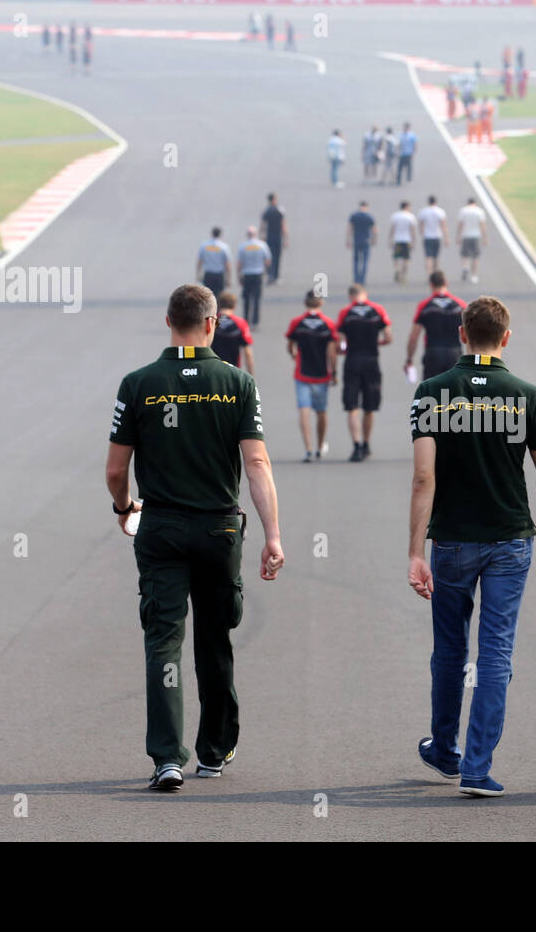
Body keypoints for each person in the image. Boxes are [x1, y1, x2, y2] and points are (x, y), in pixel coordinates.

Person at [105, 283, 283, 791]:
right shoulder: (237, 383)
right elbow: (256, 462)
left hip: (160, 525)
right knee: (214, 636)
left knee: (163, 639)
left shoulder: (138, 383)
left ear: (168, 321)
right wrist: (273, 534)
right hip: (218, 527)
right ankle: (214, 750)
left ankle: (166, 756)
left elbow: (117, 469)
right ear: (213, 324)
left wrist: (124, 508)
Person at [408, 296, 536, 797]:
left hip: (453, 541)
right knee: (496, 652)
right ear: (506, 338)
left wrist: (416, 551)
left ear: (462, 334)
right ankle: (477, 767)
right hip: (509, 539)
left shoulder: (432, 391)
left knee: (449, 650)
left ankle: (444, 748)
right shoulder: (527, 394)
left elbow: (424, 477)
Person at [336, 284, 392, 462]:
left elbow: (340, 342)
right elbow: (388, 336)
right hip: (371, 361)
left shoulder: (346, 312)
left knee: (352, 407)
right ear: (365, 294)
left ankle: (357, 445)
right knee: (370, 406)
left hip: (352, 360)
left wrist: (343, 350)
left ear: (350, 296)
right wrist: (378, 344)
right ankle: (367, 443)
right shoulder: (377, 310)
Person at [285, 291, 337, 462]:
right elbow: (331, 351)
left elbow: (290, 345)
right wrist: (334, 371)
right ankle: (320, 446)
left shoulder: (297, 322)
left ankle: (308, 448)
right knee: (321, 411)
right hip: (321, 374)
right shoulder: (328, 323)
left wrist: (294, 355)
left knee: (304, 410)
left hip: (302, 373)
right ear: (320, 303)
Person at [405, 271, 465, 381]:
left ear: (431, 285)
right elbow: (471, 333)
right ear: (446, 283)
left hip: (433, 353)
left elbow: (414, 336)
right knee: (454, 394)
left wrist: (409, 359)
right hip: (454, 354)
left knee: (431, 394)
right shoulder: (460, 305)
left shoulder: (425, 305)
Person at [211, 291, 256, 374]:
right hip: (233, 371)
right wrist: (251, 376)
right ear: (234, 305)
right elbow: (248, 353)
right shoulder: (240, 323)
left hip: (213, 370)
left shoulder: (211, 321)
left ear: (219, 305)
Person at [237, 226, 272, 328]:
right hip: (258, 274)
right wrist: (265, 270)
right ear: (255, 234)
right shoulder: (262, 245)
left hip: (247, 275)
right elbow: (268, 260)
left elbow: (239, 263)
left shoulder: (243, 246)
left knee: (246, 298)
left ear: (247, 234)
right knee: (256, 298)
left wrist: (239, 275)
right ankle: (255, 321)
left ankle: (246, 320)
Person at [455, 196, 488, 284]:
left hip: (465, 235)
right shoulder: (479, 211)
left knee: (464, 255)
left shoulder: (463, 211)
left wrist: (458, 236)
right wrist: (485, 237)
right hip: (476, 236)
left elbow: (461, 224)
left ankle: (465, 267)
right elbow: (482, 225)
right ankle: (474, 275)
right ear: (475, 203)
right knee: (475, 257)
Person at [195, 227, 231, 299]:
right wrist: (228, 278)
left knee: (208, 297)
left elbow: (200, 261)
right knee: (219, 296)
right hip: (219, 275)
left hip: (208, 275)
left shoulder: (204, 245)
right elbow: (227, 263)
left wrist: (198, 274)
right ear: (220, 234)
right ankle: (218, 310)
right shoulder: (224, 247)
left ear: (212, 234)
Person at [346, 200, 377, 285]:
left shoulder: (354, 216)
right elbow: (374, 230)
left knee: (356, 260)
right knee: (365, 261)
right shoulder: (369, 217)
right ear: (366, 207)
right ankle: (362, 279)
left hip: (356, 240)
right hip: (366, 241)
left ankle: (356, 279)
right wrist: (374, 240)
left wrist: (348, 240)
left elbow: (350, 228)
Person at [389, 201, 420, 284]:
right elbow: (412, 230)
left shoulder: (395, 216)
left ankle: (397, 270)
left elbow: (392, 228)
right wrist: (414, 240)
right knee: (406, 259)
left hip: (397, 239)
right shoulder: (410, 216)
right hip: (407, 240)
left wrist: (390, 239)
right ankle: (403, 275)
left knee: (396, 257)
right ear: (406, 207)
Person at [259, 194, 287, 285]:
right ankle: (275, 276)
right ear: (275, 199)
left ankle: (271, 275)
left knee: (270, 256)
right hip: (276, 236)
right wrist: (285, 238)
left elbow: (263, 225)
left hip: (269, 236)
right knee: (276, 256)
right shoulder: (280, 210)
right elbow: (283, 224)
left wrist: (261, 236)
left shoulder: (266, 211)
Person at [417, 195, 447, 275]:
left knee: (428, 257)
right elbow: (443, 225)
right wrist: (446, 237)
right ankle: (435, 274)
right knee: (436, 257)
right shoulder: (440, 211)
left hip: (427, 236)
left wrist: (422, 233)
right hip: (437, 236)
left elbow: (421, 225)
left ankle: (429, 274)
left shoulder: (423, 211)